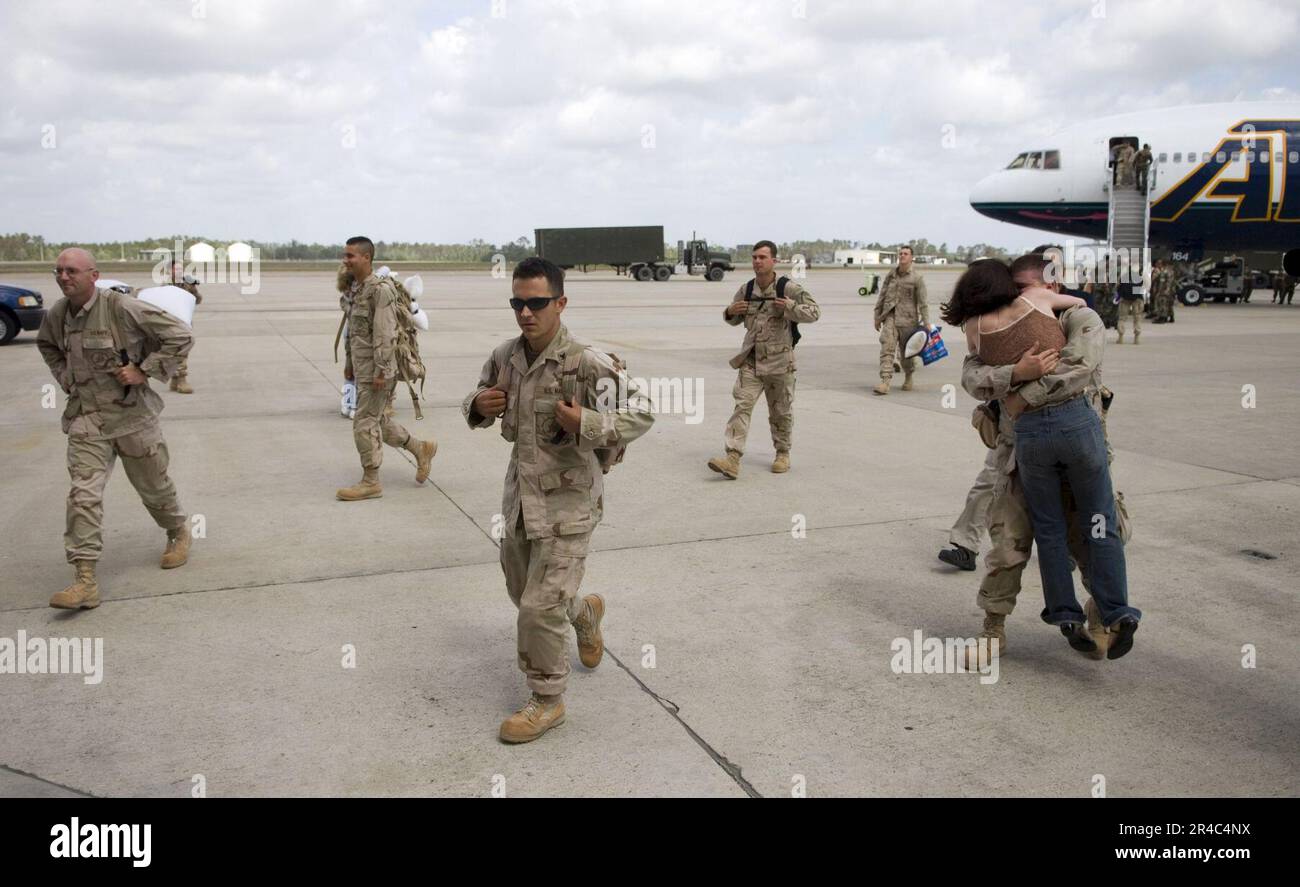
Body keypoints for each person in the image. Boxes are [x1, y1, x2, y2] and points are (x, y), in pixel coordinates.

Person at [464, 257, 654, 743]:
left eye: (537, 303)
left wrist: (588, 424)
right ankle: (585, 614)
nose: (526, 313)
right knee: (522, 592)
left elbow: (643, 411)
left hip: (569, 502)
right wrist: (478, 407)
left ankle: (547, 701)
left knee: (538, 608)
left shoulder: (586, 362)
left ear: (560, 303)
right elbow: (480, 393)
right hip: (521, 501)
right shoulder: (505, 356)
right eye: (518, 303)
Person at [942, 258, 1140, 658]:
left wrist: (1018, 397)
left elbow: (1078, 367)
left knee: (1094, 538)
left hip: (1076, 444)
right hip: (1016, 455)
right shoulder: (996, 321)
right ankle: (992, 632)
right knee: (1007, 546)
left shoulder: (1078, 317)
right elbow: (972, 377)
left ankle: (1102, 614)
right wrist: (1015, 371)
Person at [36, 248, 194, 609]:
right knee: (83, 495)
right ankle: (84, 579)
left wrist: (145, 370)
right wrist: (63, 375)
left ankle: (177, 531)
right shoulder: (58, 314)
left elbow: (180, 335)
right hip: (87, 419)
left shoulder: (122, 308)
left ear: (93, 275)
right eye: (58, 271)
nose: (63, 277)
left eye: (71, 271)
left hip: (132, 417)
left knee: (154, 488)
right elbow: (47, 346)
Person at [335, 236, 437, 501]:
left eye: (350, 256)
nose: (345, 260)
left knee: (364, 422)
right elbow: (353, 333)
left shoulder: (380, 290)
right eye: (345, 255)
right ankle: (420, 448)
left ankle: (371, 481)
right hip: (363, 367)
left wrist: (381, 371)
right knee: (377, 420)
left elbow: (385, 333)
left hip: (378, 371)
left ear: (366, 258)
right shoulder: (356, 290)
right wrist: (349, 364)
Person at [707, 240, 820, 478]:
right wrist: (730, 312)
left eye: (762, 257)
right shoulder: (747, 289)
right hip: (752, 361)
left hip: (780, 363)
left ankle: (782, 453)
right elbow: (733, 316)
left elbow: (814, 312)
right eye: (754, 257)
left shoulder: (787, 288)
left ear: (774, 261)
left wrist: (790, 307)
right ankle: (732, 458)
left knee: (781, 412)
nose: (757, 261)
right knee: (742, 407)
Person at [872, 245, 929, 395]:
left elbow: (923, 303)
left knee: (906, 355)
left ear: (911, 258)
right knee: (887, 348)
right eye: (901, 253)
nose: (902, 256)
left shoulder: (917, 278)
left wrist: (927, 323)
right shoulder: (891, 275)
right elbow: (882, 296)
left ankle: (909, 375)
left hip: (908, 321)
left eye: (906, 254)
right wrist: (877, 316)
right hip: (890, 317)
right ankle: (885, 381)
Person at [166, 261, 201, 394]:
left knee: (181, 350)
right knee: (179, 351)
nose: (180, 271)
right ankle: (181, 380)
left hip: (185, 322)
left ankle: (175, 380)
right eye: (177, 269)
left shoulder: (187, 284)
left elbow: (198, 301)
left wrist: (193, 290)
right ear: (170, 271)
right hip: (171, 323)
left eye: (181, 268)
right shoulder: (166, 286)